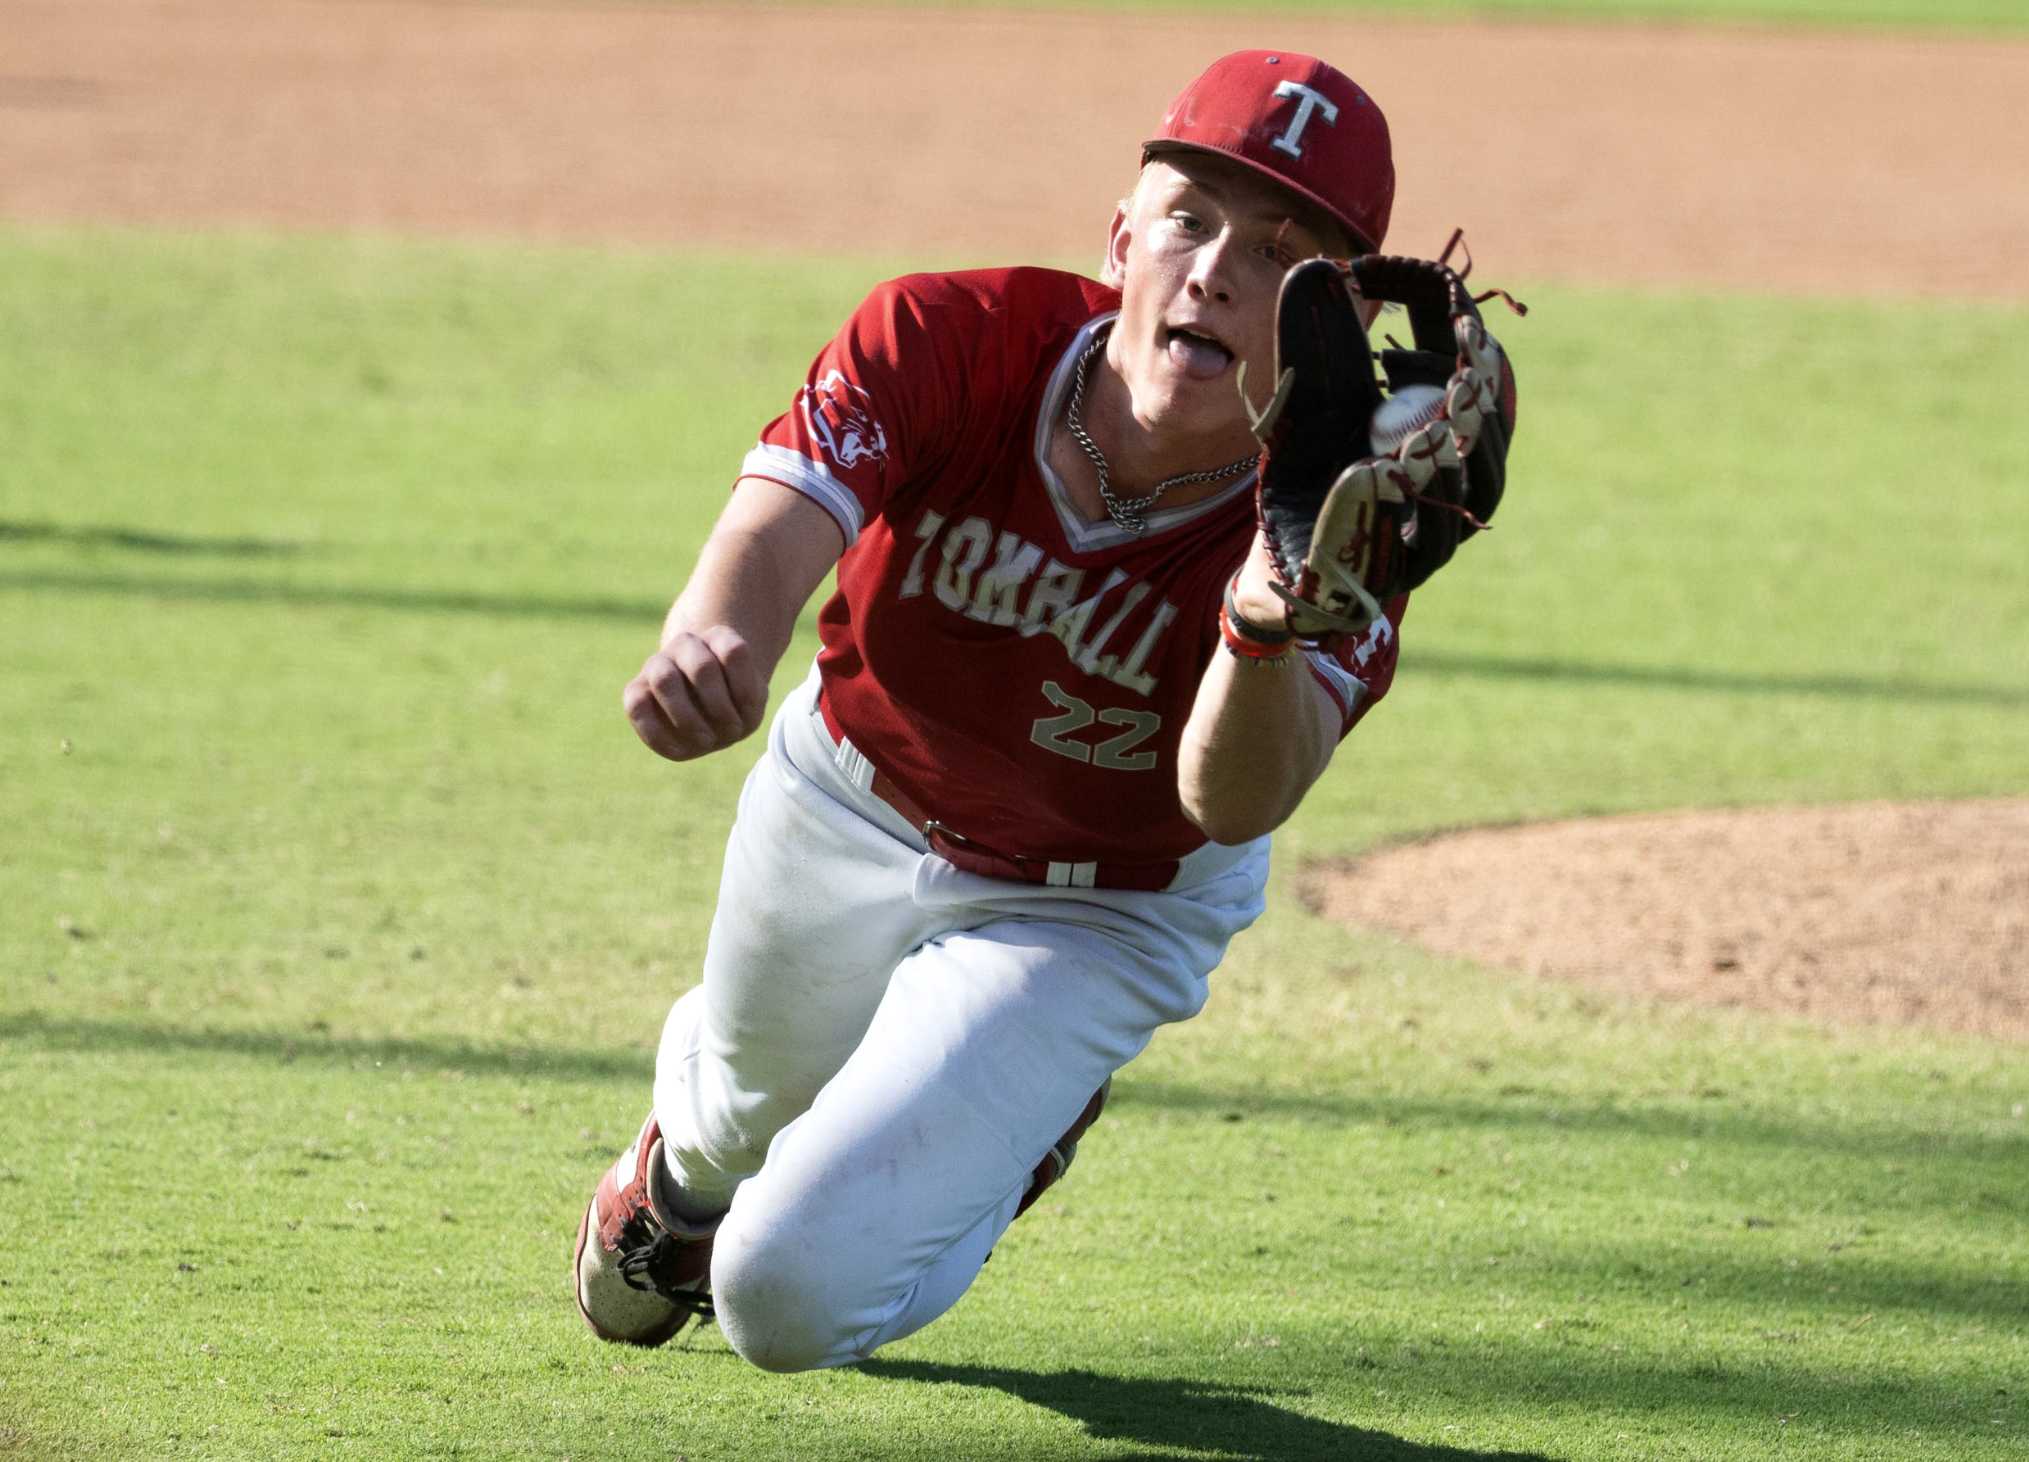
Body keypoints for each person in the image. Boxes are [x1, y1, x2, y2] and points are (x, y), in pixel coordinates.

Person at [574, 48, 1511, 1371]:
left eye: (1285, 250)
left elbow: (1234, 802)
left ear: (1344, 319)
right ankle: (682, 1177)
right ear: (1122, 238)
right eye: (1190, 217)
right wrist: (715, 634)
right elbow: (775, 531)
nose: (1220, 268)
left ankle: (1008, 1139)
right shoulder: (952, 336)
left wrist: (1266, 610)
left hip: (1100, 905)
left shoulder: (1343, 530)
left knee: (781, 1297)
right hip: (852, 792)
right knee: (731, 1130)